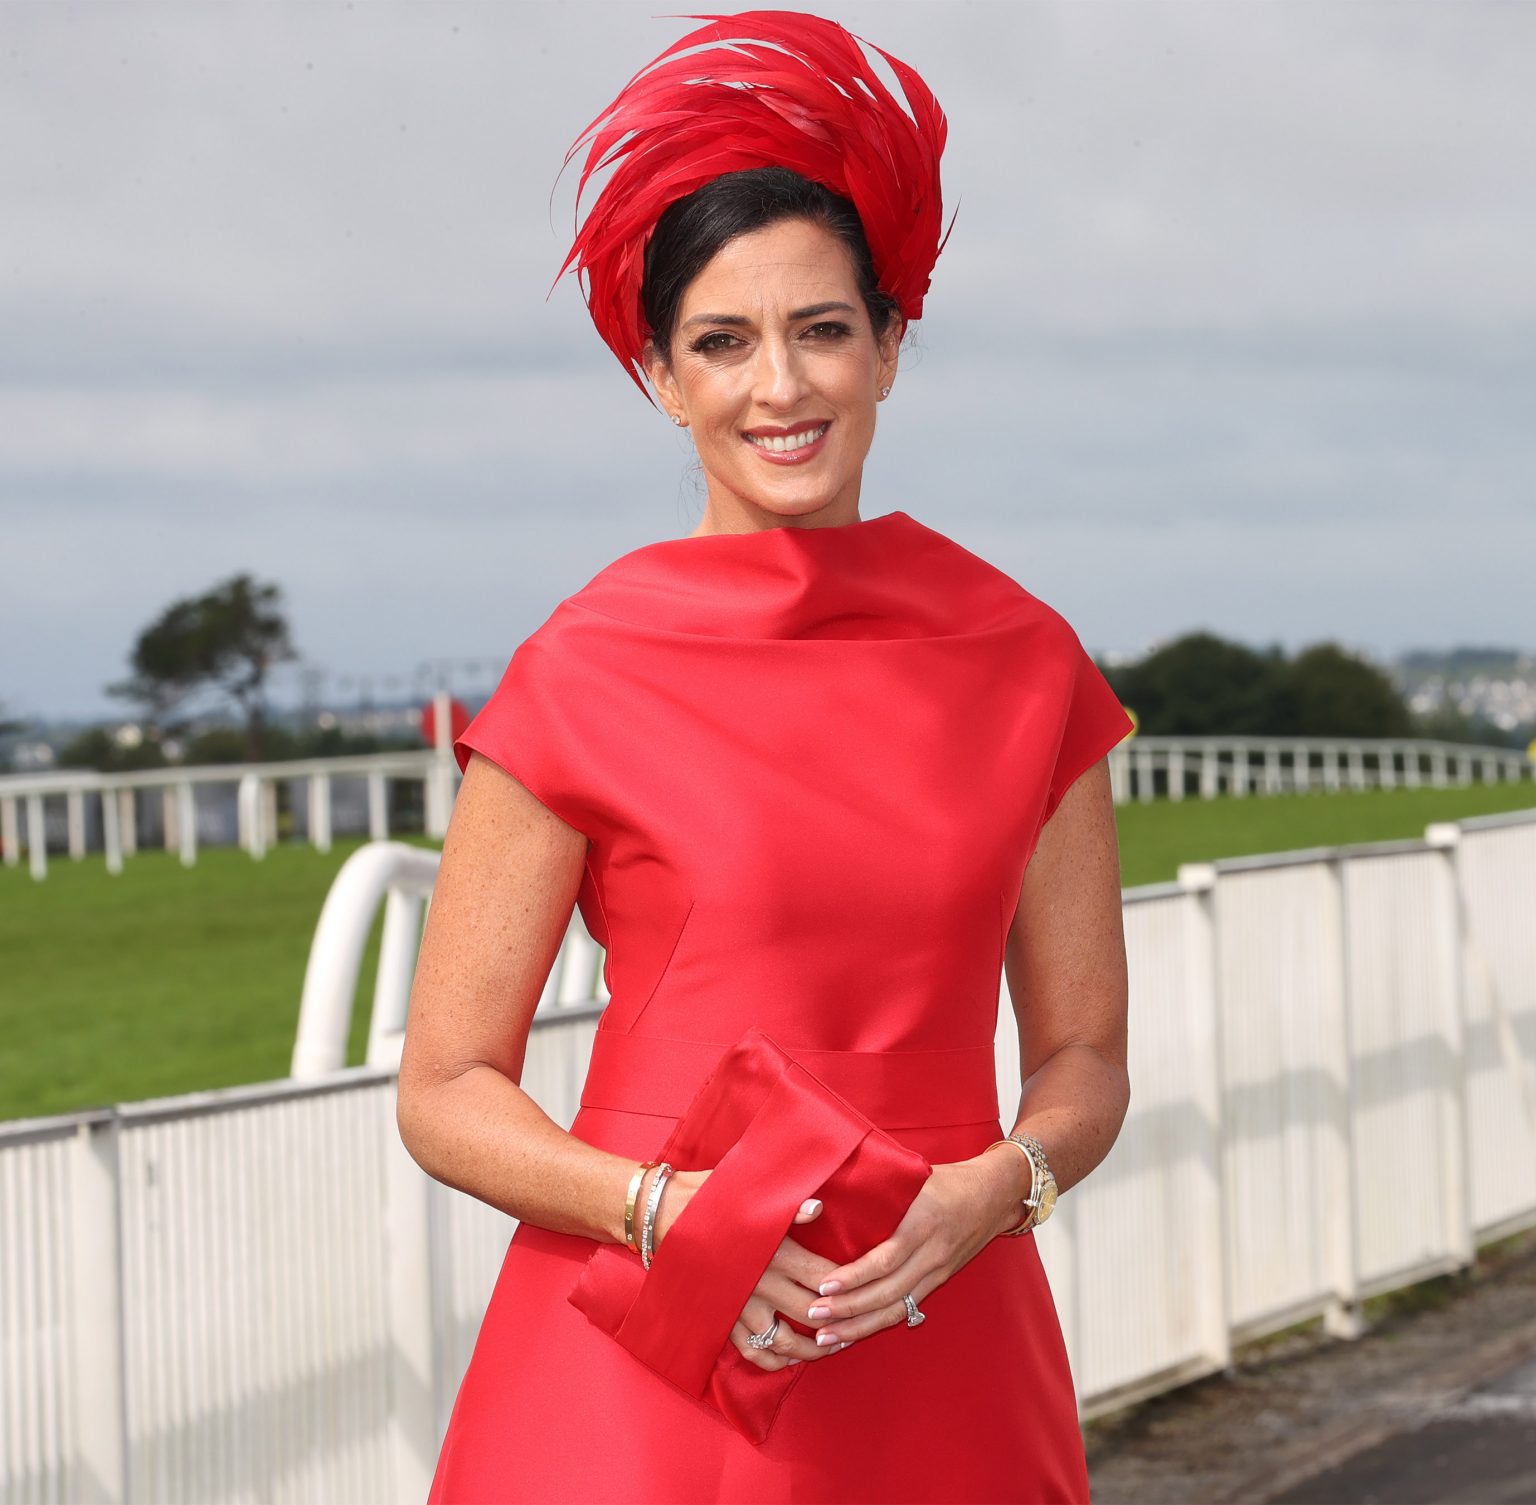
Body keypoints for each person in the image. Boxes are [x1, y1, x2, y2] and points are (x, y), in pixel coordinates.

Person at [398, 11, 1132, 1503]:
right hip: (639, 1346)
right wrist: (663, 1210)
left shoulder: (1024, 662)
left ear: (890, 347)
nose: (779, 387)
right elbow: (446, 1084)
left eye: (822, 330)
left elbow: (1085, 1059)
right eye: (722, 343)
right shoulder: (582, 671)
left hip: (938, 1320)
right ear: (662, 378)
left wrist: (1003, 1186)